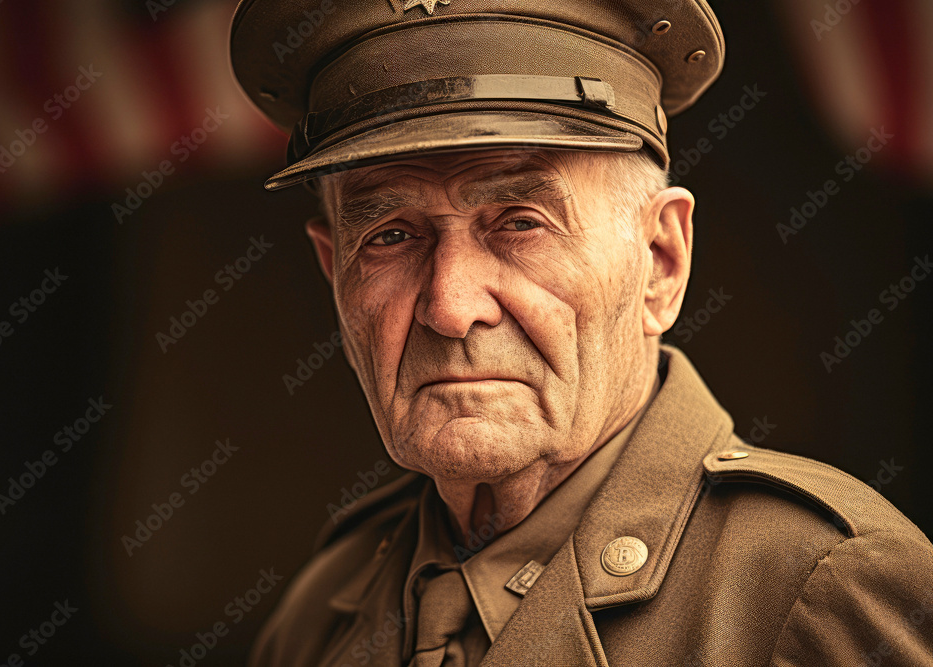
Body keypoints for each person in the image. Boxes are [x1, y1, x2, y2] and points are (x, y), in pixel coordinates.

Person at [229, 1, 933, 664]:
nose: (449, 305)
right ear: (334, 273)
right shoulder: (319, 612)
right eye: (389, 235)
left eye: (519, 223)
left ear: (661, 262)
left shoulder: (821, 590)